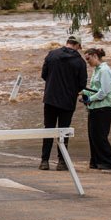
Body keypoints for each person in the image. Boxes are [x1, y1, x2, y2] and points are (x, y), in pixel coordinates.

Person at [40, 36, 87, 171]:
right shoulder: (80, 62)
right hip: (67, 101)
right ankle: (61, 162)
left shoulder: (52, 55)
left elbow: (44, 75)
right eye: (79, 47)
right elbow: (82, 84)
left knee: (48, 129)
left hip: (50, 98)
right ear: (77, 45)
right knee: (64, 130)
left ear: (67, 43)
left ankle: (44, 161)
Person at [81, 48, 111, 170]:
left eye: (88, 59)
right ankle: (96, 161)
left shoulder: (104, 71)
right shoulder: (97, 70)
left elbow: (103, 92)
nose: (87, 62)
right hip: (95, 108)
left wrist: (89, 99)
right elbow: (94, 88)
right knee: (93, 136)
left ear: (95, 56)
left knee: (100, 137)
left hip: (103, 108)